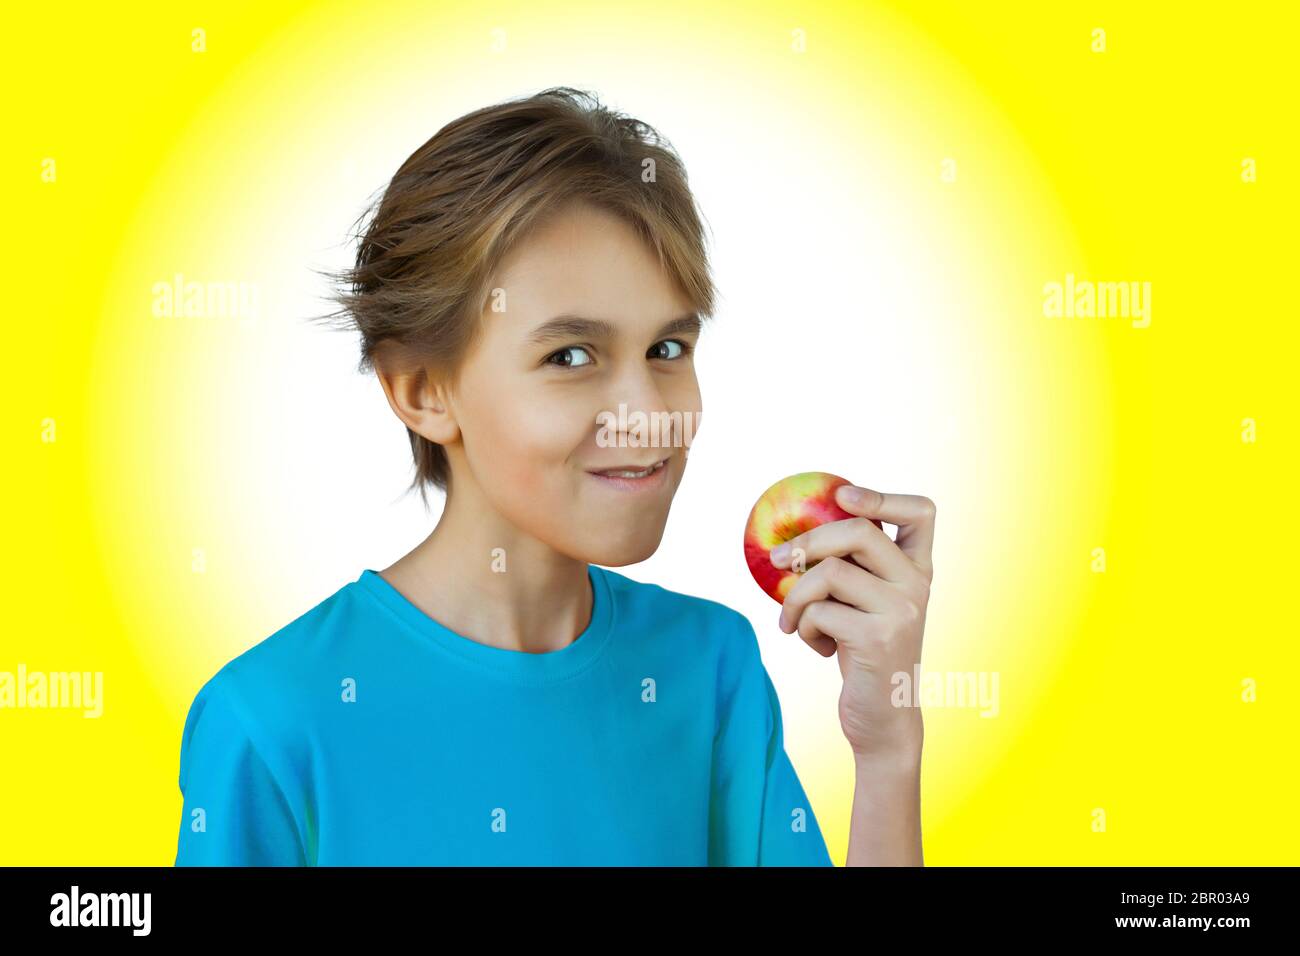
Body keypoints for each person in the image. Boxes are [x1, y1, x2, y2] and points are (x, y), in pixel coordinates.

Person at [173, 87, 935, 866]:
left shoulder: (708, 665)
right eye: (569, 356)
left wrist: (888, 753)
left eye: (667, 349)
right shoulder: (271, 720)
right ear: (423, 391)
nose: (648, 415)